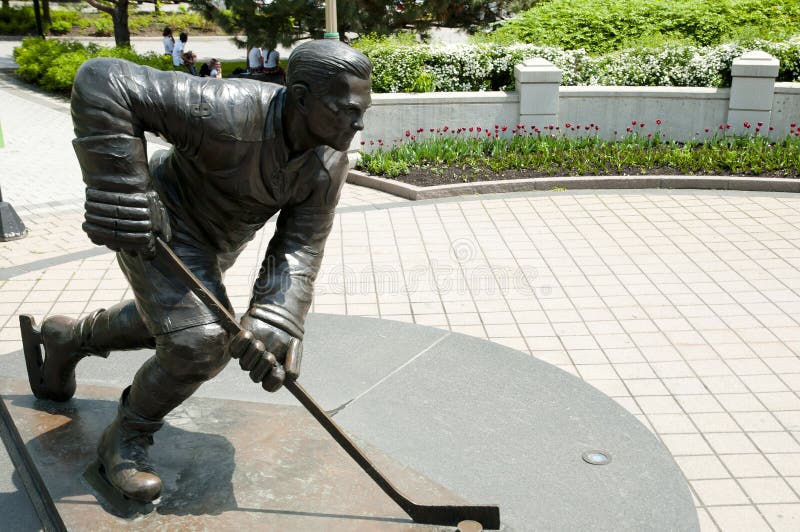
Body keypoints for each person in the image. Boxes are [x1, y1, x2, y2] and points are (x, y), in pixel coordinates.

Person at [31, 39, 372, 505]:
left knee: (175, 324)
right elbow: (102, 80)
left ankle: (69, 338)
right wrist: (122, 188)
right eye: (346, 109)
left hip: (217, 244)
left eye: (362, 110)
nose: (359, 122)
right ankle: (127, 437)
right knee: (201, 343)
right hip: (163, 225)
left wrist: (276, 319)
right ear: (300, 97)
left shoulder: (328, 166)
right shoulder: (226, 111)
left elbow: (300, 246)